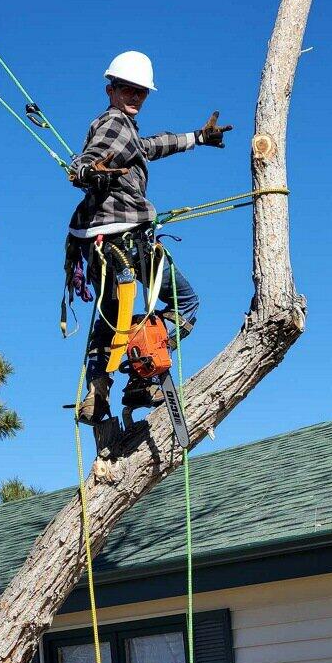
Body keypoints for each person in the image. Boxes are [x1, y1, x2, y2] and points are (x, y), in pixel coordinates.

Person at [66, 51, 231, 424]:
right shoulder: (114, 124)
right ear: (111, 90)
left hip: (98, 246)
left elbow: (151, 146)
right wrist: (89, 171)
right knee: (185, 302)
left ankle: (99, 387)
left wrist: (197, 137)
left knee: (110, 318)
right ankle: (143, 371)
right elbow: (84, 162)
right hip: (126, 242)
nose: (135, 97)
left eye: (141, 92)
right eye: (127, 89)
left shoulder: (125, 129)